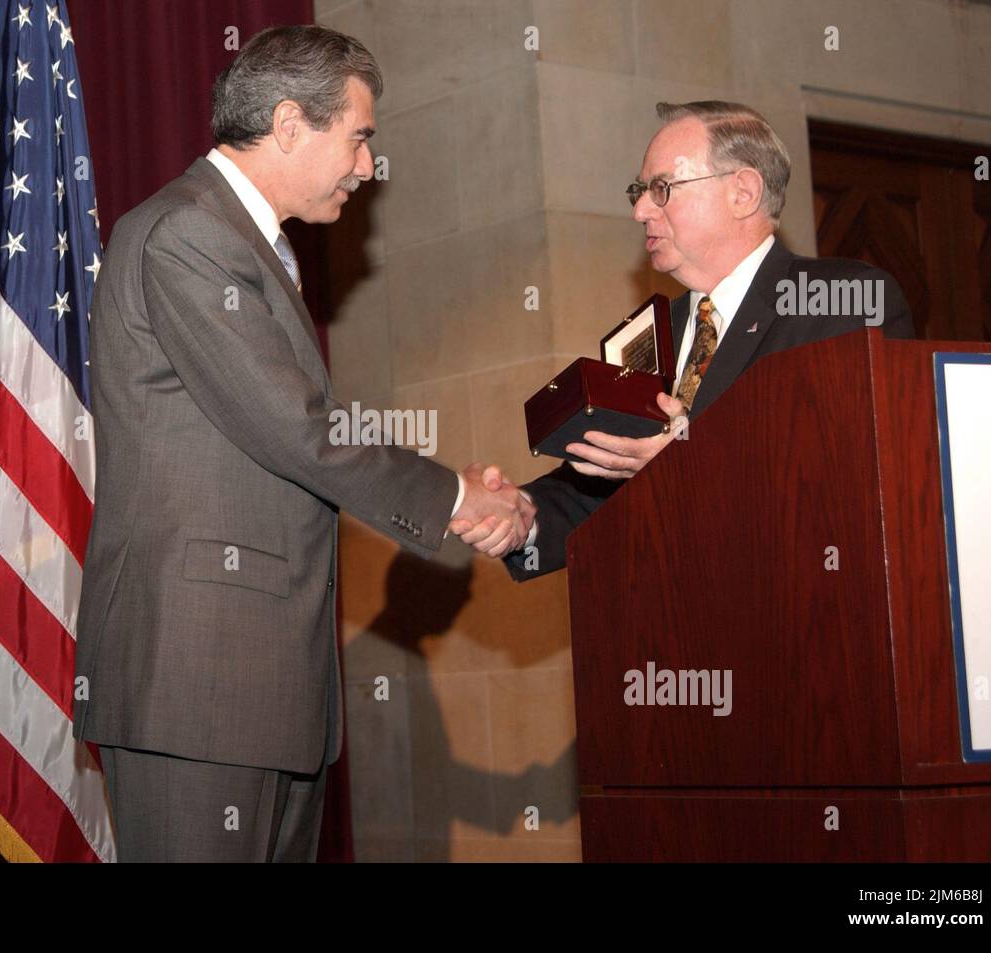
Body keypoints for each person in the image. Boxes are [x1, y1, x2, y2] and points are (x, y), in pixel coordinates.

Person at [72, 25, 534, 862]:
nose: (367, 166)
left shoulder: (250, 245)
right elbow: (295, 429)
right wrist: (458, 500)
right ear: (290, 124)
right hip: (197, 684)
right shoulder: (185, 233)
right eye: (358, 137)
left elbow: (292, 432)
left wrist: (449, 484)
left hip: (262, 694)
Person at [451, 100, 914, 576]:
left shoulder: (841, 300)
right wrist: (524, 516)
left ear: (743, 192)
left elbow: (859, 469)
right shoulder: (653, 334)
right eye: (639, 190)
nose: (639, 210)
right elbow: (606, 480)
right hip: (669, 629)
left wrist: (691, 463)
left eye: (660, 188)